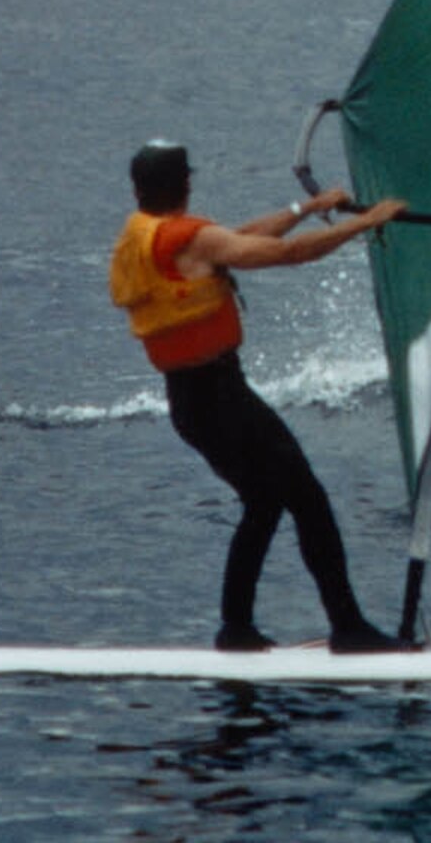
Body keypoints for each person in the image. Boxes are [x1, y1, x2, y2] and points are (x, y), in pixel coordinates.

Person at [108, 138, 410, 653]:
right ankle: (348, 628)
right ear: (186, 184)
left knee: (265, 503)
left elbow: (238, 239)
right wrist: (365, 222)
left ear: (139, 189)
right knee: (308, 501)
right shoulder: (191, 240)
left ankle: (236, 629)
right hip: (221, 400)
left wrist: (308, 209)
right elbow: (283, 254)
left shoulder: (148, 237)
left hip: (191, 404)